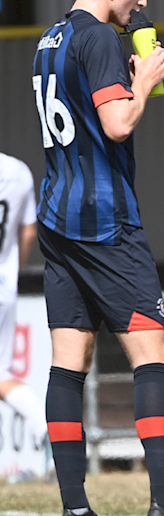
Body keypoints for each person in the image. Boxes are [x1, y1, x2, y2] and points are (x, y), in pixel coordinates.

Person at [33, 0, 164, 516]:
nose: (141, 2)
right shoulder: (100, 37)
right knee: (154, 353)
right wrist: (146, 80)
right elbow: (117, 124)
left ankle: (75, 510)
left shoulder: (49, 39)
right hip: (105, 219)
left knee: (68, 362)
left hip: (57, 216)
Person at [0, 153, 47, 453]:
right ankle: (43, 426)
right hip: (3, 286)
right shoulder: (17, 170)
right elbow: (29, 230)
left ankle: (44, 426)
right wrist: (11, 270)